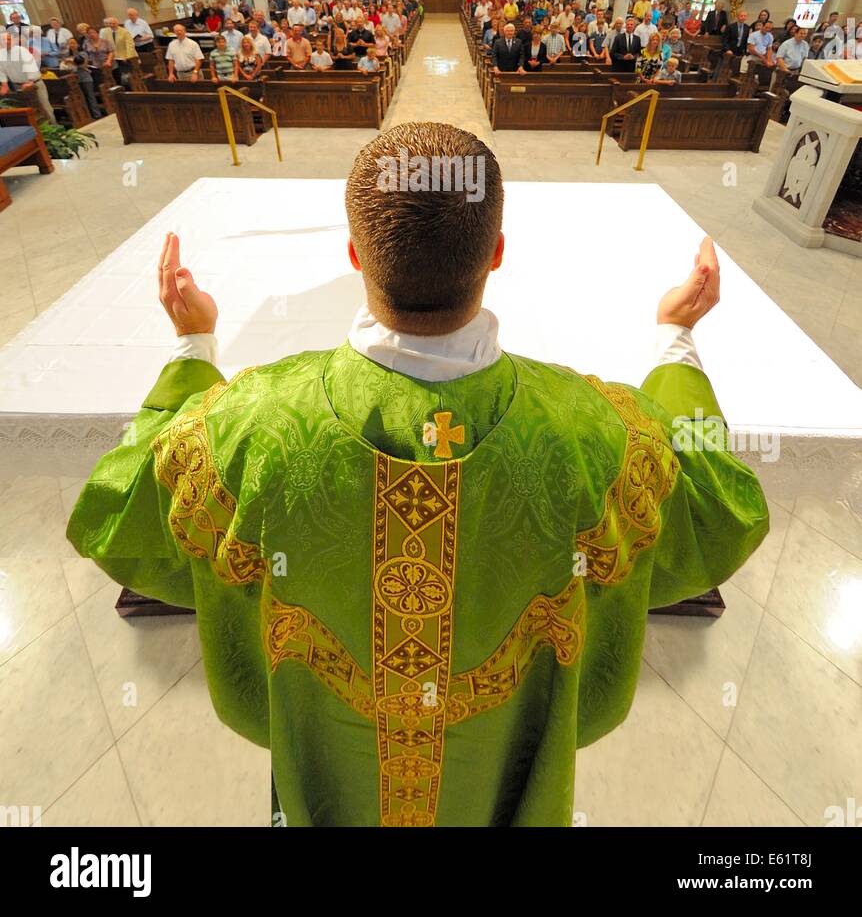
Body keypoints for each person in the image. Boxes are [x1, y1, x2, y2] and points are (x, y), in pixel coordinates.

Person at [67, 124, 768, 828]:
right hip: (501, 782)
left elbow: (117, 505)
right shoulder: (603, 433)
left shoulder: (244, 426)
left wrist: (193, 346)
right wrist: (676, 341)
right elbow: (721, 507)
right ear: (496, 254)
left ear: (353, 255)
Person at [0, 30, 57, 123]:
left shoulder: (21, 50)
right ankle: (42, 133)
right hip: (18, 86)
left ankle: (55, 126)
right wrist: (4, 84)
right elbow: (1, 71)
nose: (7, 42)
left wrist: (30, 81)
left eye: (9, 39)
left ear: (13, 40)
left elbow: (30, 65)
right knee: (30, 112)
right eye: (3, 40)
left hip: (34, 84)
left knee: (45, 107)